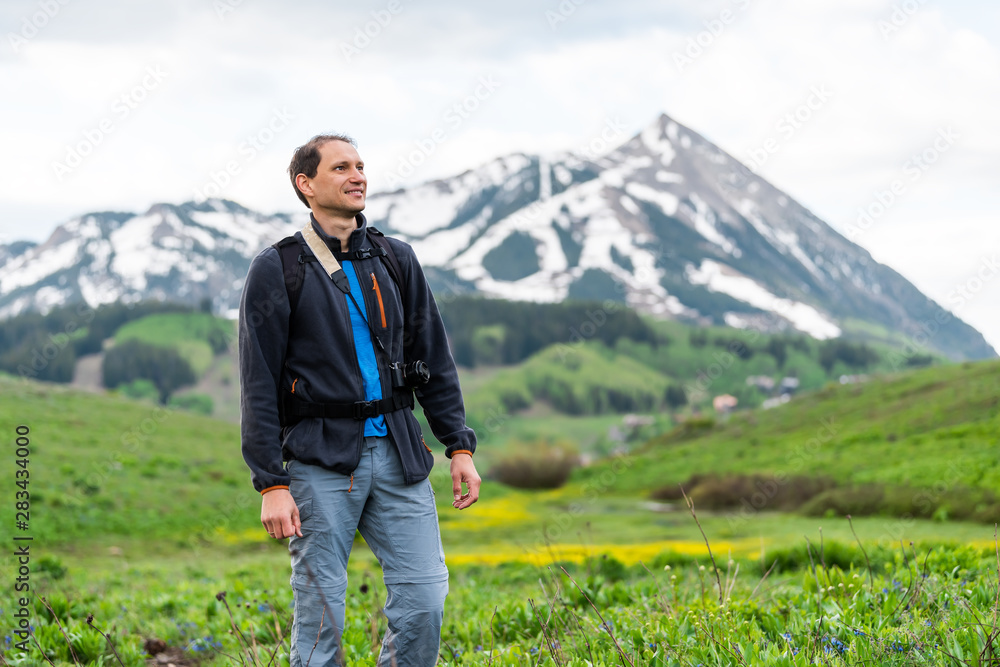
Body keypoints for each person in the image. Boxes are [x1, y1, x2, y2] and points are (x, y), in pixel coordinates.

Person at [238, 133, 481, 667]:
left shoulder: (397, 258)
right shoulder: (278, 268)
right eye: (341, 167)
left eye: (361, 166)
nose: (357, 176)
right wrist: (272, 483)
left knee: (425, 600)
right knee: (321, 617)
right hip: (320, 461)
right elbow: (258, 383)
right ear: (306, 184)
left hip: (400, 454)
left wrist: (458, 446)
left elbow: (434, 359)